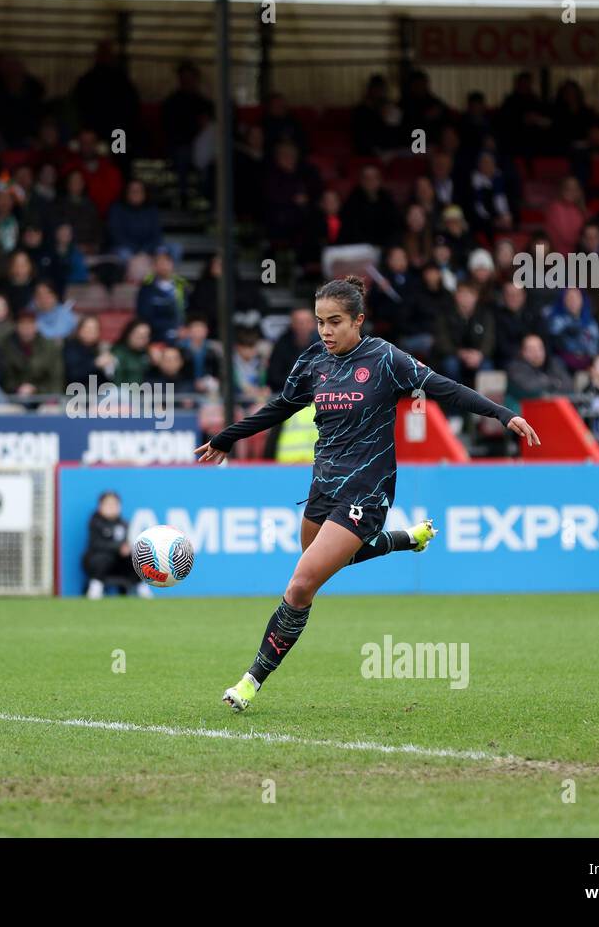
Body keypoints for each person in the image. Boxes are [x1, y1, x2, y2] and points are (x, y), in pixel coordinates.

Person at [195, 277, 539, 712]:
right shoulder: (313, 361)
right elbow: (280, 407)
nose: (326, 331)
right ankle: (405, 539)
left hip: (368, 490)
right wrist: (228, 437)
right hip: (323, 487)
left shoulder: (384, 359)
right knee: (330, 561)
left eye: (335, 321)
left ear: (358, 320)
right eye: (320, 322)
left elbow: (443, 387)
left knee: (300, 586)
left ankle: (249, 682)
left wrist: (502, 413)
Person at [82, 491, 152, 600]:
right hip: (97, 562)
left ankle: (141, 586)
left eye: (114, 504)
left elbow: (129, 543)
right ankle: (96, 586)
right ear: (100, 506)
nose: (111, 507)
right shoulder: (95, 522)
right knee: (103, 558)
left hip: (119, 563)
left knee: (135, 557)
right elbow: (96, 544)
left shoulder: (124, 524)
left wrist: (127, 548)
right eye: (108, 504)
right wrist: (118, 547)